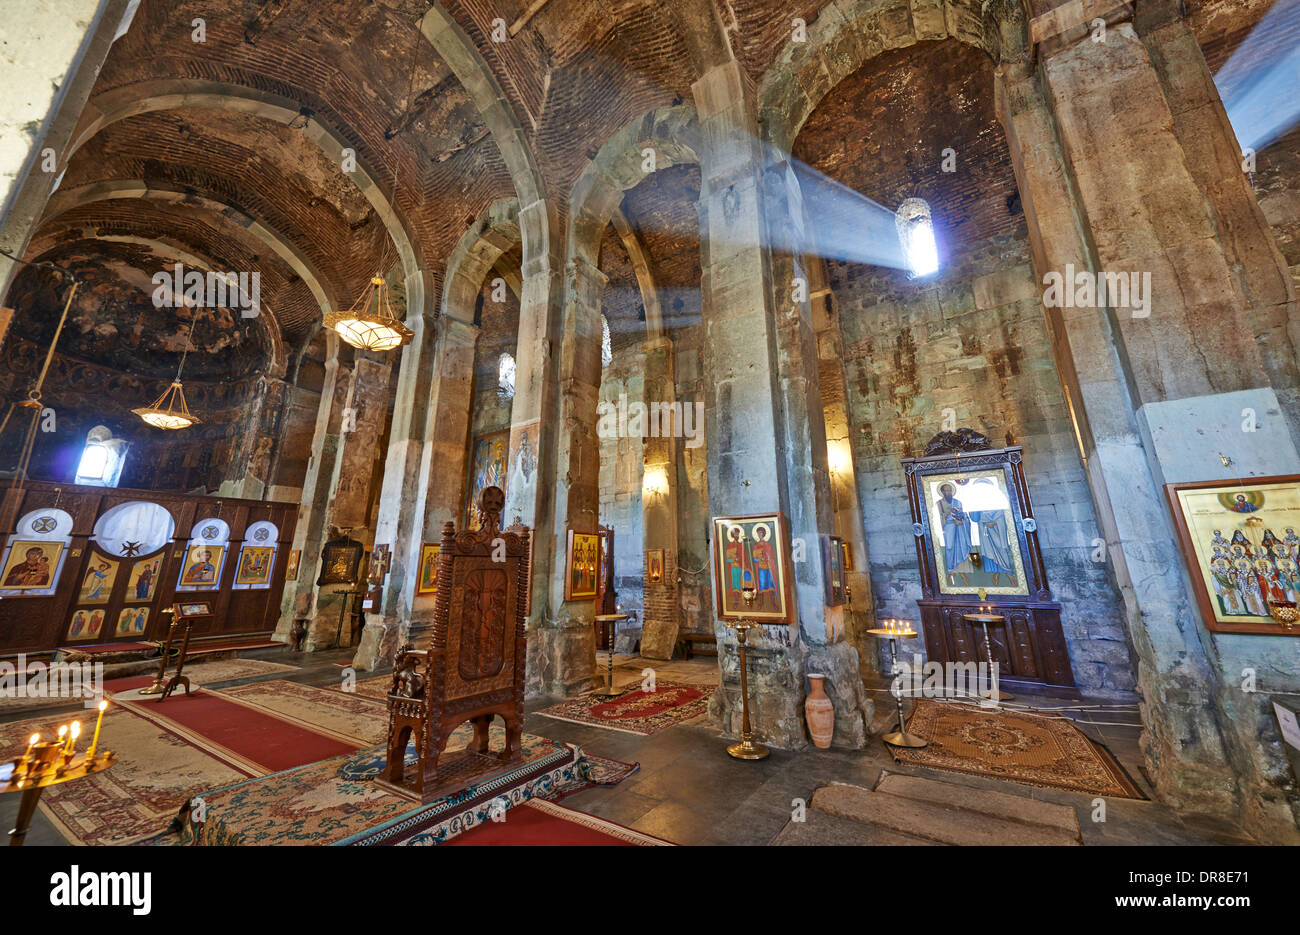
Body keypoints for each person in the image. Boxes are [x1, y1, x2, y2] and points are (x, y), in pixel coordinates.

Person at [937, 483, 973, 585]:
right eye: (946, 491)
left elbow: (965, 516)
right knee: (950, 548)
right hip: (948, 529)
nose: (948, 493)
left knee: (961, 548)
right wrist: (945, 514)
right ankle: (951, 573)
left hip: (960, 528)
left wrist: (962, 521)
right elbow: (935, 520)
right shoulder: (939, 504)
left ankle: (962, 573)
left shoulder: (958, 502)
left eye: (950, 490)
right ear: (942, 492)